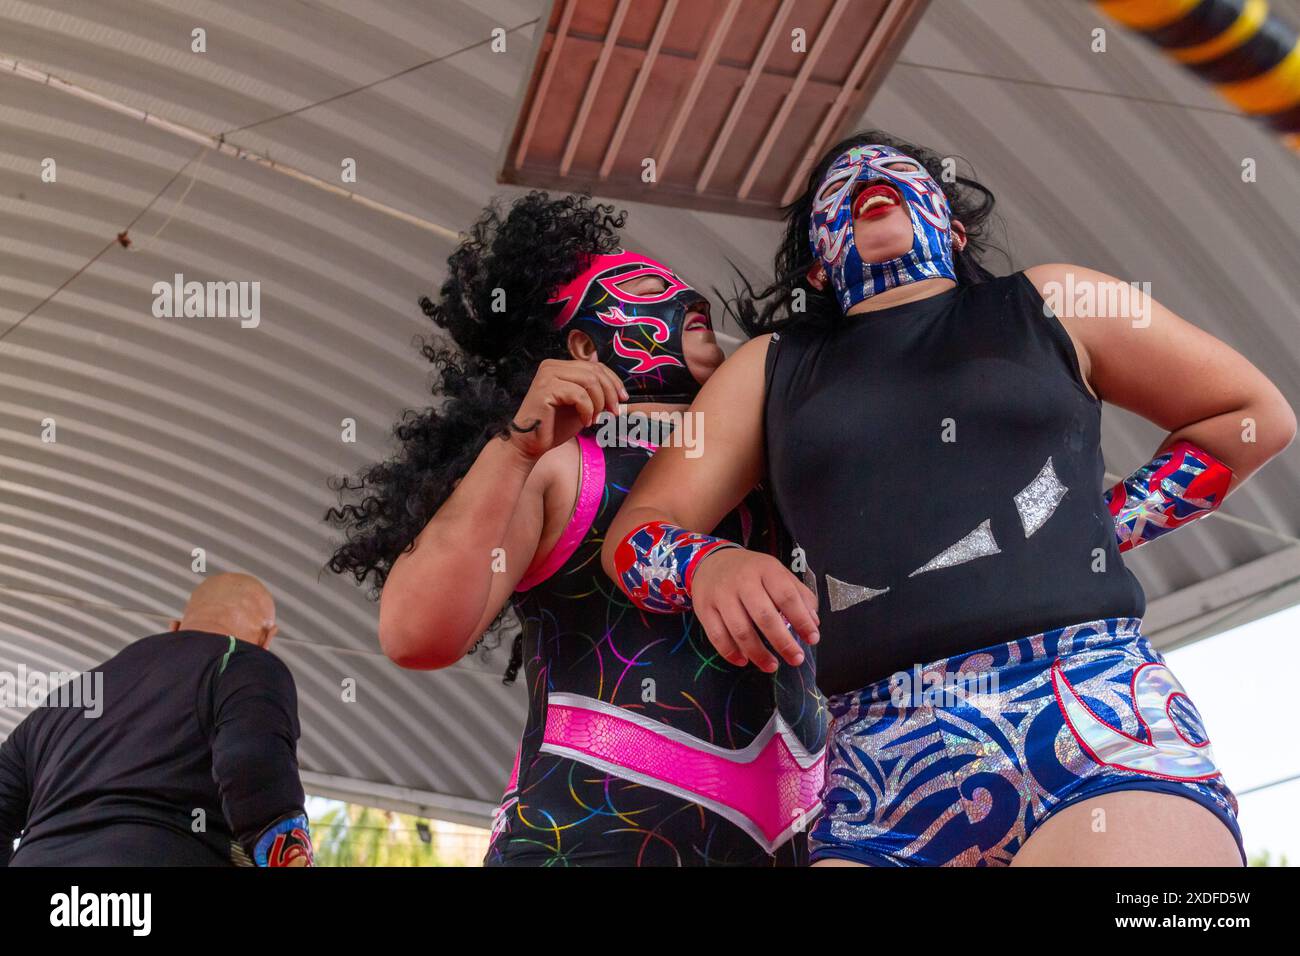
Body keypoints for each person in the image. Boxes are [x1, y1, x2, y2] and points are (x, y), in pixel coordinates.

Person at [602, 131, 1296, 867]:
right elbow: (638, 533)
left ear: (952, 227)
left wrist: (1100, 527)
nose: (869, 174)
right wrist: (709, 565)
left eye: (899, 173)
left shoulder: (1050, 300)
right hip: (880, 767)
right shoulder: (769, 371)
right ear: (818, 261)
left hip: (1094, 710)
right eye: (841, 186)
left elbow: (1250, 419)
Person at [326, 192, 826, 866]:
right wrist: (514, 448)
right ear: (586, 344)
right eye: (652, 287)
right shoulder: (562, 465)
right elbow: (416, 633)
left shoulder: (785, 454)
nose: (687, 296)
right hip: (584, 839)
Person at [0, 573, 312, 866]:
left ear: (175, 626)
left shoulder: (71, 695)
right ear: (266, 638)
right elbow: (252, 762)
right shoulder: (244, 663)